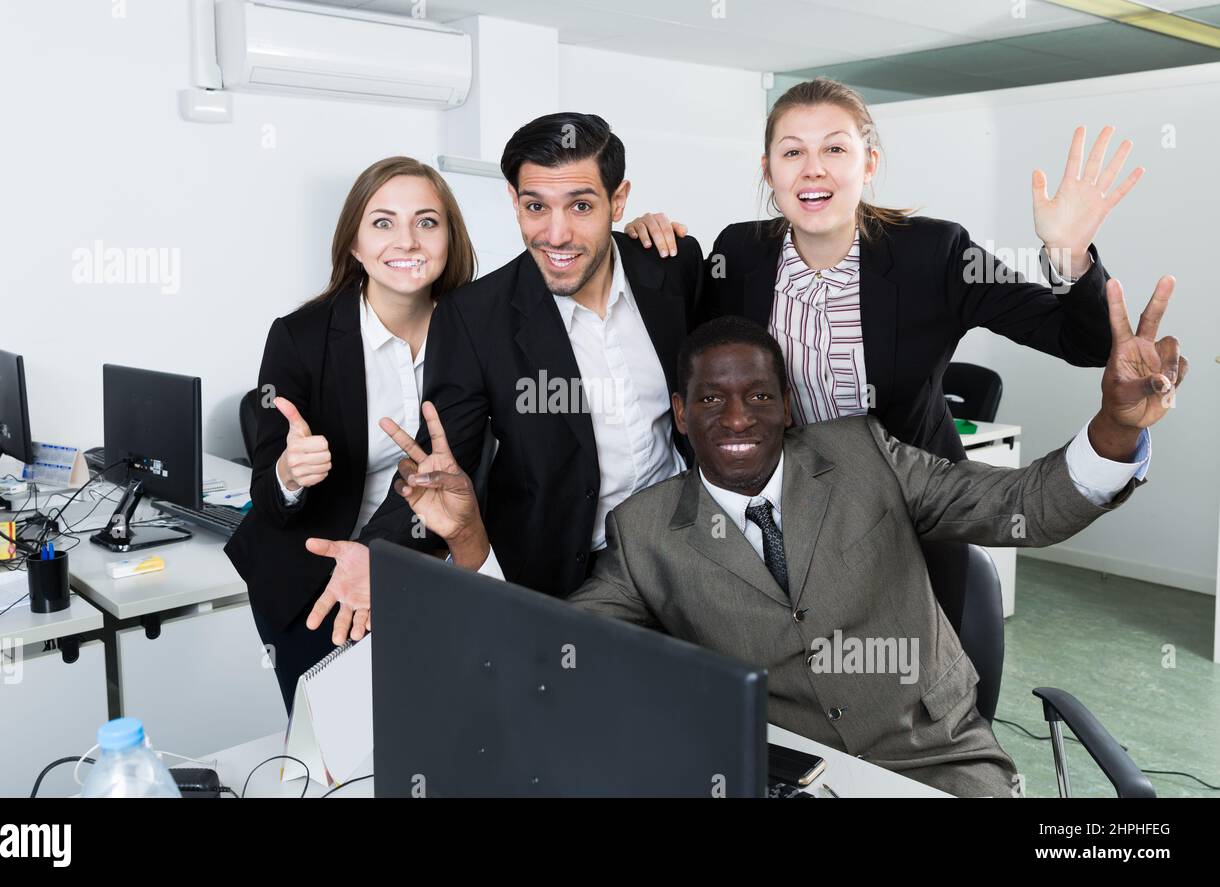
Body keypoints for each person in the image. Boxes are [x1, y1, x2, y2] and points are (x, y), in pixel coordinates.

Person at [320, 275, 1184, 797]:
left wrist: (1112, 424)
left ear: (789, 406)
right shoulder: (648, 529)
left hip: (937, 768)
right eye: (711, 401)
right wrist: (470, 540)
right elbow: (563, 652)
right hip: (782, 778)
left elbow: (1025, 503)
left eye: (760, 396)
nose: (738, 417)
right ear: (682, 419)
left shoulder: (863, 454)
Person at [625, 77, 1144, 629]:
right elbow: (694, 366)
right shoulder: (739, 252)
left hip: (908, 515)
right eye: (792, 151)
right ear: (768, 170)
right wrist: (646, 242)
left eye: (835, 148)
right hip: (779, 518)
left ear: (868, 162)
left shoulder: (935, 253)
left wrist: (1068, 254)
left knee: (919, 687)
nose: (813, 167)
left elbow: (1080, 340)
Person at [305, 113, 705, 645]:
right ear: (515, 202)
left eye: (581, 205)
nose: (556, 234)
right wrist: (378, 554)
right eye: (536, 206)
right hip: (561, 574)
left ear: (620, 199)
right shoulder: (475, 317)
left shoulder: (673, 268)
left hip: (683, 553)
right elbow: (443, 461)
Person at [224, 156, 476, 712]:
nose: (406, 240)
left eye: (427, 222)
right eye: (382, 223)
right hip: (313, 580)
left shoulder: (478, 332)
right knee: (332, 755)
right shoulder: (299, 337)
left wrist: (636, 234)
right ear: (355, 247)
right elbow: (267, 495)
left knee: (428, 739)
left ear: (450, 239)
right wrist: (289, 474)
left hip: (422, 567)